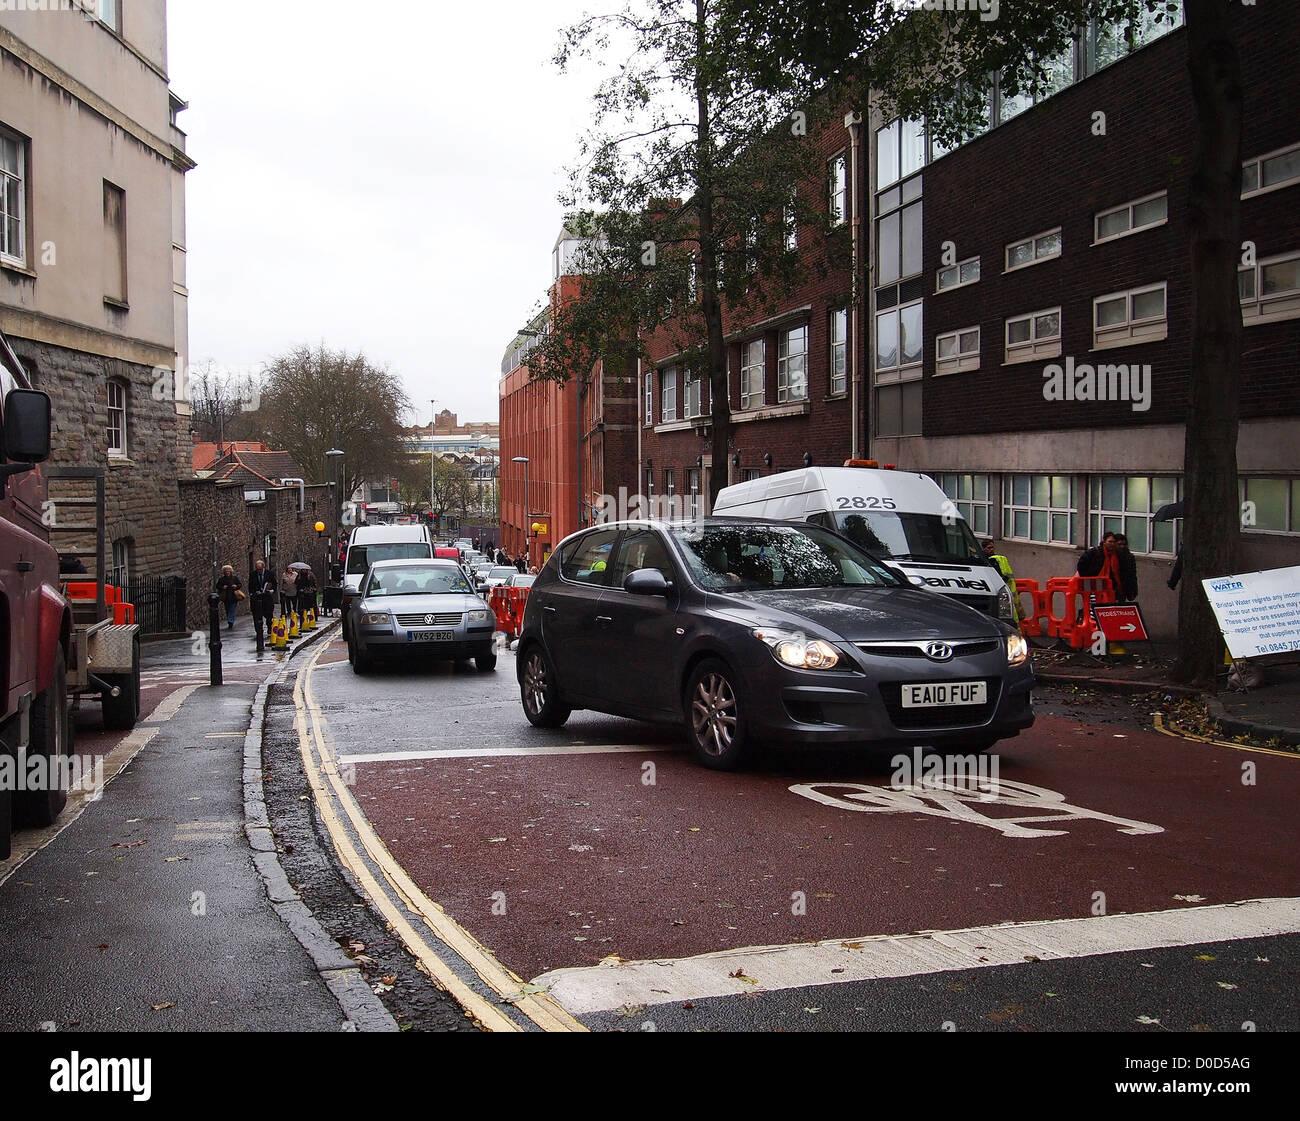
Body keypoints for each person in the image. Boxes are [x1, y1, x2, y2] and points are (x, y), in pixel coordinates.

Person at [1077, 532, 1138, 603]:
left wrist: (1131, 591)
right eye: (1110, 542)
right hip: (1095, 586)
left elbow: (1130, 575)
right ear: (1104, 542)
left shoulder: (1123, 556)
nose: (1112, 544)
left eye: (1114, 542)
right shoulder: (1095, 552)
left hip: (1115, 588)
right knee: (1093, 607)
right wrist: (1088, 581)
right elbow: (1081, 567)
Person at [982, 538, 1022, 623]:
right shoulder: (985, 561)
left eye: (992, 547)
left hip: (1007, 589)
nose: (991, 550)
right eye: (989, 548)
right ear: (983, 549)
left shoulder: (998, 559)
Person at [250, 560, 276, 635]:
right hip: (257, 599)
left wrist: (271, 590)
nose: (259, 571)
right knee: (257, 615)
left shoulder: (269, 574)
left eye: (260, 569)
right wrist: (252, 594)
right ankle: (258, 630)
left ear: (263, 567)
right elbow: (250, 586)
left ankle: (269, 627)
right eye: (257, 569)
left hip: (267, 598)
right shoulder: (253, 574)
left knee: (268, 614)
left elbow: (274, 584)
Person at [216, 564, 243, 629]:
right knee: (227, 609)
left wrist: (236, 586)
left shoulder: (234, 578)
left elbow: (239, 584)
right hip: (226, 597)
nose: (227, 572)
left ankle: (230, 621)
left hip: (234, 596)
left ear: (231, 571)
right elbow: (217, 586)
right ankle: (230, 620)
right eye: (226, 571)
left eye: (228, 571)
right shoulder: (221, 579)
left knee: (232, 609)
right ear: (224, 572)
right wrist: (222, 587)